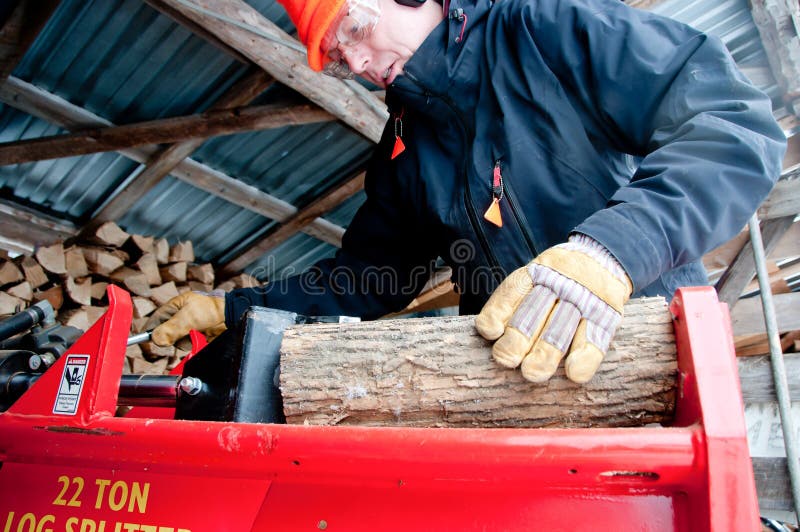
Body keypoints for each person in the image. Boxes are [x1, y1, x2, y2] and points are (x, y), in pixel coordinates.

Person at [147, 0, 786, 384]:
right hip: (516, 375)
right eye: (344, 60)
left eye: (355, 31)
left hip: (649, 352)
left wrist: (612, 252)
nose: (362, 66)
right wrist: (234, 310)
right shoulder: (406, 146)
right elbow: (369, 278)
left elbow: (730, 124)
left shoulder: (541, 29)